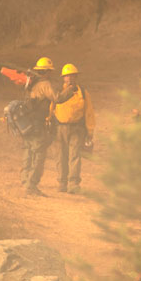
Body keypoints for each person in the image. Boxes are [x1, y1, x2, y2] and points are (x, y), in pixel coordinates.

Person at [53, 63, 96, 194]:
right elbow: (51, 107)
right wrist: (47, 121)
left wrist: (90, 130)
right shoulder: (58, 92)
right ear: (63, 78)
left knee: (74, 156)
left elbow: (89, 112)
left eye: (72, 76)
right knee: (61, 156)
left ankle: (73, 184)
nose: (70, 78)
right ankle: (62, 183)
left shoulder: (83, 92)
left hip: (77, 129)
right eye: (67, 76)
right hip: (60, 128)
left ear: (76, 77)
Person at [20, 57, 58, 196]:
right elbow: (57, 98)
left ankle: (25, 181)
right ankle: (31, 186)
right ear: (47, 72)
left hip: (28, 125)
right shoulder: (45, 84)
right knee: (39, 155)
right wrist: (68, 92)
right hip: (37, 125)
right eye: (50, 71)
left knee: (28, 152)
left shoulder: (31, 84)